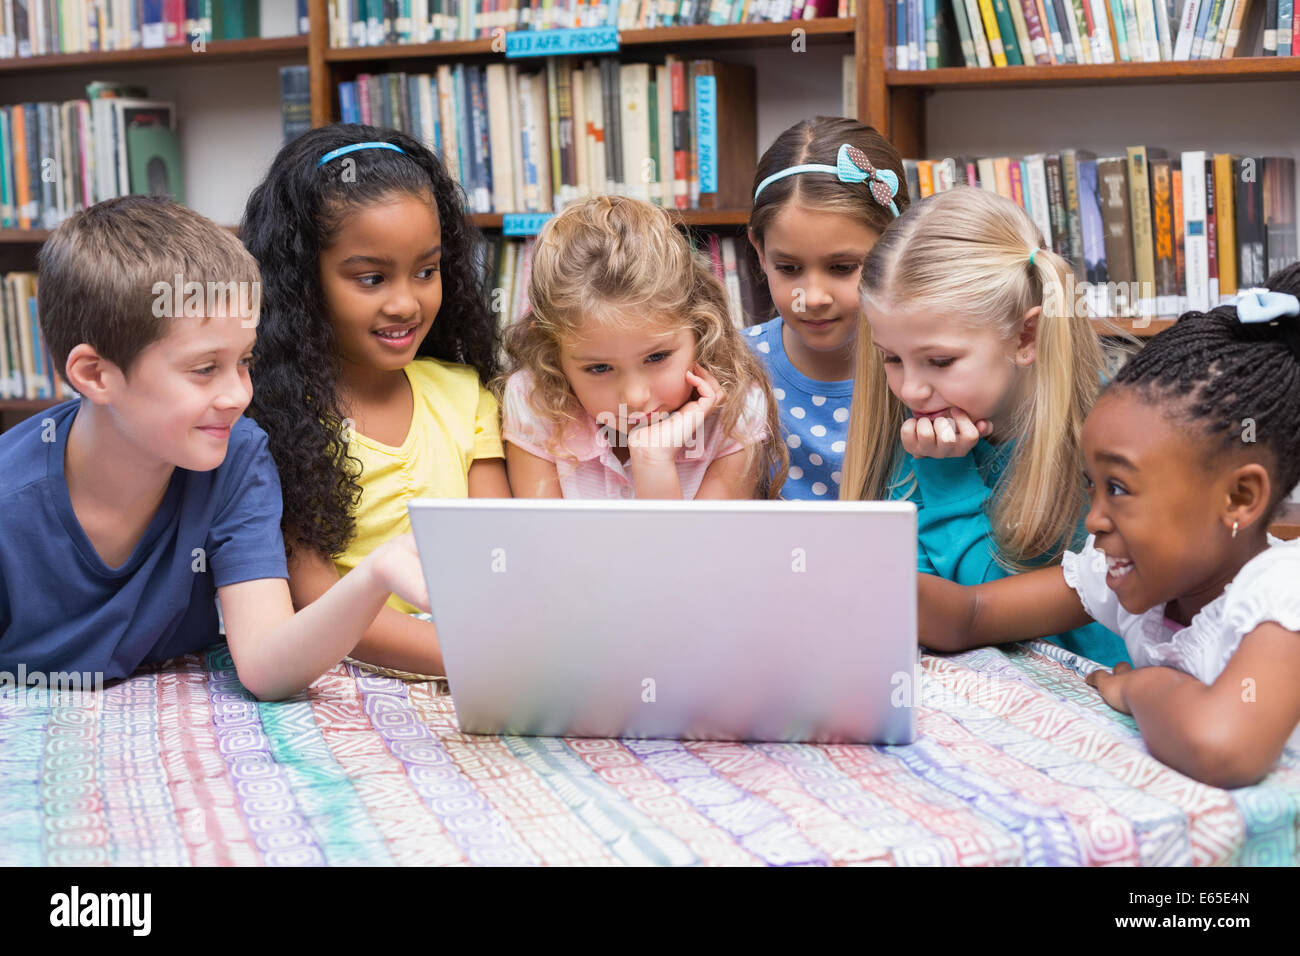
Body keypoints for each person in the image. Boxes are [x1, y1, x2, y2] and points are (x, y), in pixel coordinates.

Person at [0, 196, 429, 701]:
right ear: (95, 375)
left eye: (245, 361)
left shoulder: (237, 458)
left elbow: (268, 667)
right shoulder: (11, 499)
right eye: (205, 369)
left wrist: (373, 577)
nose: (239, 395)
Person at [916, 273, 1300, 788]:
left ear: (1239, 499)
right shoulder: (1127, 579)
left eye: (1118, 489)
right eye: (1090, 486)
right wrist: (860, 580)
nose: (1093, 519)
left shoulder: (1282, 596)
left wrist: (1140, 688)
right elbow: (972, 615)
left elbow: (1224, 748)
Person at [240, 125, 509, 677]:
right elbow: (316, 598)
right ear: (303, 282)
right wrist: (478, 659)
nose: (406, 303)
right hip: (353, 667)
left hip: (474, 651)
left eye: (426, 271)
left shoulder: (466, 395)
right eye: (371, 278)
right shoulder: (281, 418)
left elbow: (495, 555)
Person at [843, 186, 1127, 666]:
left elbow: (989, 622)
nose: (911, 390)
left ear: (1024, 335)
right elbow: (906, 603)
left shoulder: (1107, 440)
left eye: (939, 360)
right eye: (892, 358)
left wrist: (945, 480)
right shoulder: (926, 426)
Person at [501, 196, 784, 500]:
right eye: (599, 368)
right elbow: (545, 545)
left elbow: (702, 549)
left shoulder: (737, 412)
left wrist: (653, 462)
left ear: (700, 329)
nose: (636, 398)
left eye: (656, 357)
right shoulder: (533, 401)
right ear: (553, 357)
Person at [744, 116, 908, 500]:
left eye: (843, 268)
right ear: (759, 251)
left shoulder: (929, 374)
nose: (813, 297)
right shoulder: (731, 367)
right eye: (789, 268)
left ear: (896, 248)